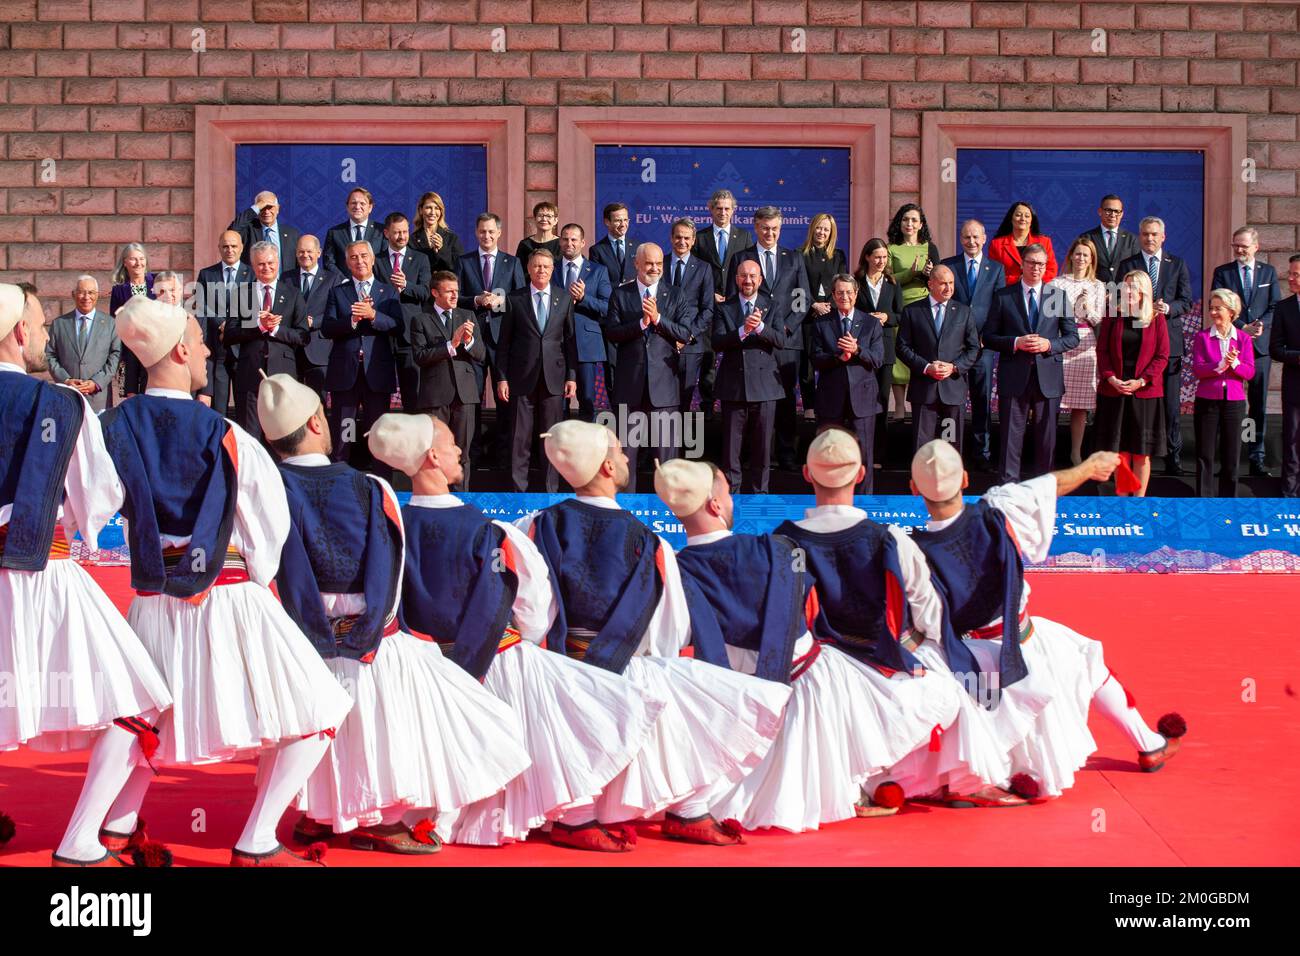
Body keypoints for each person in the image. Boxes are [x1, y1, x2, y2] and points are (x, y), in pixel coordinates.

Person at [98, 296, 355, 867]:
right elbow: (268, 529)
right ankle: (257, 840)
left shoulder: (111, 425)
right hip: (228, 592)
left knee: (148, 719)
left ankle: (114, 832)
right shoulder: (226, 433)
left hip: (149, 594)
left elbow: (96, 502)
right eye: (200, 337)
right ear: (182, 349)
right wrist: (251, 573)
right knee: (319, 711)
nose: (210, 348)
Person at [256, 381, 529, 853]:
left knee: (322, 719)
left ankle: (321, 814)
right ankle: (377, 819)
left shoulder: (270, 487)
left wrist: (310, 629)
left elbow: (271, 561)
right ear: (318, 423)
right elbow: (387, 567)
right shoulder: (369, 486)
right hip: (368, 632)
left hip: (304, 632)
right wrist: (372, 628)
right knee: (391, 721)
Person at [370, 412, 662, 847]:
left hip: (426, 670)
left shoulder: (393, 527)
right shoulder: (488, 532)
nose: (459, 451)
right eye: (451, 444)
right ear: (432, 456)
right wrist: (523, 642)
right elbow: (534, 606)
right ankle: (574, 816)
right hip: (498, 662)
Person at [516, 420, 789, 849]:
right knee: (680, 703)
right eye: (621, 453)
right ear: (606, 467)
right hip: (623, 665)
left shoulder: (534, 524)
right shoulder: (651, 541)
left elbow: (531, 610)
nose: (627, 458)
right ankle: (682, 811)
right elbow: (672, 628)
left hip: (557, 664)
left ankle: (578, 814)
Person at [0, 283, 173, 867]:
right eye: (40, 325)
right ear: (20, 333)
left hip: (30, 567)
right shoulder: (62, 405)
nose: (45, 335)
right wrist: (69, 522)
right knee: (138, 699)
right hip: (41, 569)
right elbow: (97, 499)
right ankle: (81, 837)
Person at [910, 440, 1187, 797]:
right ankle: (1148, 742)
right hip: (1021, 642)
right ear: (965, 479)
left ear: (913, 488)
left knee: (1077, 651)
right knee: (1087, 658)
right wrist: (1090, 466)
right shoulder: (998, 511)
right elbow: (1047, 487)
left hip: (967, 664)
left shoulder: (913, 552)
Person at [773, 429, 1027, 812]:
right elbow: (930, 612)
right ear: (861, 474)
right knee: (958, 681)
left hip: (818, 671)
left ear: (807, 474)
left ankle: (871, 780)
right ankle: (959, 780)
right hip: (883, 662)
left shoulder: (782, 543)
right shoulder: (889, 539)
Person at [664, 456, 923, 831]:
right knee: (929, 689)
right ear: (716, 505)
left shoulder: (675, 567)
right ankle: (865, 779)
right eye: (728, 494)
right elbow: (810, 610)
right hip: (811, 686)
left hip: (737, 698)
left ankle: (858, 781)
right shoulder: (776, 549)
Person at [725, 206, 811, 470]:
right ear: (756, 227)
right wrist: (748, 328)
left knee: (785, 399)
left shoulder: (794, 258)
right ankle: (753, 457)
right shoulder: (742, 257)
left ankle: (786, 453)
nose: (770, 233)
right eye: (765, 228)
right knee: (752, 403)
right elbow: (731, 300)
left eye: (774, 228)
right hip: (751, 345)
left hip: (785, 340)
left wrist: (785, 328)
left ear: (780, 228)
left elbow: (802, 298)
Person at [984, 244, 1078, 483]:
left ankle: (1043, 488)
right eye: (1031, 263)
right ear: (1022, 265)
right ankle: (1008, 489)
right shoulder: (1004, 296)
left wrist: (1049, 345)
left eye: (1041, 264)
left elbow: (1071, 337)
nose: (1036, 268)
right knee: (1010, 438)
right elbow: (989, 337)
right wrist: (1016, 342)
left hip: (1048, 377)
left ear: (1046, 267)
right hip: (1014, 376)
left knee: (1047, 438)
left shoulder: (1058, 296)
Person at [605, 242, 690, 491]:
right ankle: (625, 512)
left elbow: (685, 333)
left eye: (659, 264)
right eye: (649, 264)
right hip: (630, 388)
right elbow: (611, 332)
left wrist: (658, 320)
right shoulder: (621, 294)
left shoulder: (675, 295)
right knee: (625, 460)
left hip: (664, 390)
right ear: (637, 264)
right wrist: (641, 324)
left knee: (666, 461)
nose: (654, 268)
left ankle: (667, 512)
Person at [496, 249, 577, 493]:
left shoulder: (563, 298)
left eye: (546, 266)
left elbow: (570, 341)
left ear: (553, 270)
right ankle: (518, 493)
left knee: (552, 439)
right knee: (520, 438)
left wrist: (572, 376)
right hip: (521, 378)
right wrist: (502, 378)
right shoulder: (514, 298)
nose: (541, 270)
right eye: (537, 266)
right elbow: (504, 344)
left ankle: (550, 492)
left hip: (554, 378)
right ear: (528, 269)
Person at [1117, 217, 1194, 476]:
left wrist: (1169, 308)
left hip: (1168, 346)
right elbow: (1119, 300)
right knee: (1136, 407)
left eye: (1154, 234)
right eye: (1145, 234)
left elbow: (1186, 301)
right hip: (1134, 348)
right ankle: (1133, 455)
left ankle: (1173, 458)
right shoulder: (1128, 265)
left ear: (1163, 236)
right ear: (1139, 236)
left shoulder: (1177, 264)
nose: (1149, 239)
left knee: (1170, 406)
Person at [322, 240, 403, 470]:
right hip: (346, 377)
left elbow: (398, 326)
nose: (360, 261)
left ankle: (380, 488)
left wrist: (373, 315)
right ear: (347, 262)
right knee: (343, 434)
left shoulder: (387, 292)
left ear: (373, 259)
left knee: (378, 435)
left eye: (364, 256)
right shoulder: (338, 293)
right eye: (354, 257)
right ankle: (340, 483)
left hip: (376, 374)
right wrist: (352, 321)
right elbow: (327, 327)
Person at [456, 212, 526, 465]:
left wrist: (501, 300)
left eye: (491, 232)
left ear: (499, 233)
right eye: (482, 231)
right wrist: (476, 300)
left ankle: (503, 455)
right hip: (471, 339)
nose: (486, 236)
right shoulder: (463, 262)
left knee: (505, 399)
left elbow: (520, 299)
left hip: (502, 341)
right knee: (471, 398)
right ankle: (472, 456)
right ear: (476, 233)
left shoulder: (512, 263)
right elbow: (455, 298)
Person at [1211, 227, 1281, 478]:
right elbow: (1217, 303)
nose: (1239, 250)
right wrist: (1243, 327)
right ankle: (1229, 459)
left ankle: (1256, 457)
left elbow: (1274, 305)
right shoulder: (1223, 272)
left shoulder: (1268, 272)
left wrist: (1260, 326)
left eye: (1244, 246)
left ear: (1256, 247)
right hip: (1230, 347)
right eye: (1235, 246)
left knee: (1257, 406)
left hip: (1260, 350)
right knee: (1229, 404)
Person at [1094, 271, 1170, 497]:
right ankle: (1122, 503)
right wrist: (1111, 378)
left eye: (1133, 288)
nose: (1127, 292)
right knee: (1120, 453)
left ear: (1143, 292)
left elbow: (1162, 355)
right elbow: (1103, 350)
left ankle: (1138, 503)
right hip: (1115, 391)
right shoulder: (1112, 315)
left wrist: (1141, 381)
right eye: (1125, 287)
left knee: (1141, 453)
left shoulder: (1156, 318)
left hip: (1144, 393)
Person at [223, 241, 309, 440]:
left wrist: (276, 329)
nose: (266, 268)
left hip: (283, 375)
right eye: (261, 264)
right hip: (250, 375)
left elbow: (303, 336)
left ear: (278, 262)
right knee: (250, 436)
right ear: (253, 265)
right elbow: (230, 335)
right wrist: (259, 326)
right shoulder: (242, 293)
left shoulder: (293, 293)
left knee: (283, 435)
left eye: (270, 263)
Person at [713, 258, 784, 494]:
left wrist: (761, 328)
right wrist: (743, 330)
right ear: (736, 279)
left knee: (762, 450)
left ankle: (759, 497)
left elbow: (781, 341)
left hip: (765, 388)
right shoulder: (725, 308)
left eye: (753, 276)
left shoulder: (772, 306)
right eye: (743, 276)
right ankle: (730, 496)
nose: (748, 280)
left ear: (760, 279)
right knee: (730, 451)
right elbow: (717, 342)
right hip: (733, 387)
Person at [409, 271, 483, 490]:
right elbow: (420, 356)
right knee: (435, 451)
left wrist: (468, 342)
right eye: (449, 291)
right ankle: (436, 495)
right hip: (436, 395)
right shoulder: (420, 319)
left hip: (465, 394)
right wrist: (451, 345)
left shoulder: (468, 315)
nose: (454, 295)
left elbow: (481, 354)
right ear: (434, 293)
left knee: (463, 451)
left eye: (457, 291)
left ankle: (462, 499)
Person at [810, 273, 883, 493]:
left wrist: (857, 350)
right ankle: (829, 499)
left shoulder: (871, 323)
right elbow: (815, 358)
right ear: (832, 295)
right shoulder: (822, 323)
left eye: (849, 292)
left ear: (856, 294)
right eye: (840, 292)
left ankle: (864, 503)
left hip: (863, 398)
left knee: (863, 455)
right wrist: (836, 358)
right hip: (831, 398)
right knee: (829, 453)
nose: (844, 296)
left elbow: (878, 359)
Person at [942, 220, 1006, 470]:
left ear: (984, 238)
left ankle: (982, 453)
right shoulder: (949, 266)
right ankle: (949, 453)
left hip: (983, 347)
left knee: (982, 400)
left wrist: (986, 335)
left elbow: (998, 307)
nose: (972, 242)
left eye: (976, 237)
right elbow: (944, 304)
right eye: (967, 237)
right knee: (951, 403)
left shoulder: (996, 269)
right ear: (961, 238)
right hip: (953, 348)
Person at [897, 265, 980, 452]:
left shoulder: (963, 311)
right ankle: (921, 480)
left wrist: (954, 367)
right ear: (930, 284)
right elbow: (902, 347)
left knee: (950, 445)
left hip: (952, 389)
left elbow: (974, 348)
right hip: (924, 390)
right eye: (943, 283)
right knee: (922, 446)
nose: (948, 288)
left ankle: (949, 481)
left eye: (951, 283)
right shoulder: (912, 311)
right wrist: (926, 367)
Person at [1046, 237, 1107, 465]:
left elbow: (1097, 319)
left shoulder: (1098, 286)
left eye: (1086, 255)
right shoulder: (1056, 283)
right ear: (1071, 255)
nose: (1081, 258)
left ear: (1092, 260)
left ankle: (1075, 452)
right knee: (1053, 400)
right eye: (1078, 253)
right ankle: (1048, 450)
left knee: (1080, 405)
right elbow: (1049, 317)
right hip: (1061, 341)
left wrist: (1086, 308)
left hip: (1086, 344)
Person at [1191, 289, 1256, 497]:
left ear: (1231, 311)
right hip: (1207, 401)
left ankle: (1229, 501)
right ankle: (1204, 500)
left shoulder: (1243, 339)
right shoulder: (1202, 337)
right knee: (1205, 454)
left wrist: (1234, 363)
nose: (1213, 312)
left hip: (1234, 403)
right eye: (1211, 308)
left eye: (1218, 308)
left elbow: (1250, 372)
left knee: (1232, 454)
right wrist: (1220, 365)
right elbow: (1198, 370)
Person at [886, 204, 942, 426]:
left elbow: (939, 277)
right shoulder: (892, 249)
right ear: (899, 223)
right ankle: (899, 407)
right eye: (905, 220)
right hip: (900, 306)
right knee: (900, 356)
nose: (909, 224)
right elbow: (888, 279)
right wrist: (912, 273)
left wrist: (929, 274)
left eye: (914, 220)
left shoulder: (930, 248)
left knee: (922, 354)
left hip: (924, 308)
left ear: (921, 224)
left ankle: (923, 405)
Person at [554, 222, 612, 423]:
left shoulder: (597, 270)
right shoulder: (549, 269)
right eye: (565, 239)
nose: (569, 243)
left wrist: (584, 298)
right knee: (557, 403)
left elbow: (608, 307)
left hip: (586, 345)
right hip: (555, 344)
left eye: (573, 239)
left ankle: (588, 450)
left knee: (588, 400)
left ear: (582, 243)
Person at [374, 211, 432, 412]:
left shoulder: (420, 259)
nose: (402, 236)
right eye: (397, 232)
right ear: (386, 233)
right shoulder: (376, 259)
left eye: (405, 232)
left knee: (412, 393)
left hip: (410, 335)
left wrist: (406, 285)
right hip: (382, 333)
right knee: (379, 391)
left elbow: (426, 292)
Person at [855, 237, 904, 459]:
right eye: (877, 257)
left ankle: (879, 453)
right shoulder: (856, 281)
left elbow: (901, 315)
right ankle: (859, 452)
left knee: (882, 402)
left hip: (884, 350)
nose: (881, 261)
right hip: (861, 350)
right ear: (867, 257)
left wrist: (887, 316)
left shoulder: (893, 284)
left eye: (884, 257)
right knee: (860, 402)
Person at [195, 231, 252, 415]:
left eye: (234, 246)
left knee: (245, 409)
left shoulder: (252, 274)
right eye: (225, 246)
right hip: (217, 351)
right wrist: (221, 324)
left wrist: (232, 328)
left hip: (243, 351)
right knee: (218, 410)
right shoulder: (207, 274)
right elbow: (202, 306)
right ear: (219, 248)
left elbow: (252, 309)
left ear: (241, 248)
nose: (230, 250)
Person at [46, 275, 120, 413]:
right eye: (81, 292)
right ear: (73, 295)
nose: (86, 297)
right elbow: (50, 355)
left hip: (98, 398)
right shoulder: (59, 324)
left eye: (91, 292)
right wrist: (66, 380)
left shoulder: (111, 324)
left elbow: (115, 356)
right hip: (67, 396)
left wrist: (96, 383)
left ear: (97, 295)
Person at [665, 217, 715, 416]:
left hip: (691, 344)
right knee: (663, 397)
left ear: (693, 240)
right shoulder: (661, 263)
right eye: (678, 237)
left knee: (684, 399)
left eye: (687, 238)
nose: (682, 242)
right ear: (671, 238)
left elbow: (708, 309)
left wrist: (685, 336)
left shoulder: (703, 268)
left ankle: (680, 445)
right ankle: (662, 443)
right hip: (663, 342)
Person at [284, 234, 342, 402]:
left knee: (318, 403)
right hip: (292, 351)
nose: (305, 255)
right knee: (292, 404)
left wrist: (313, 322)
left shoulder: (333, 279)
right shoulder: (286, 278)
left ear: (319, 253)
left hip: (319, 350)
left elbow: (337, 313)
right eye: (301, 251)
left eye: (309, 251)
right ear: (296, 254)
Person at [800, 213, 847, 417]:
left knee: (832, 361)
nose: (822, 232)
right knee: (807, 364)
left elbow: (843, 285)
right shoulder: (800, 254)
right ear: (812, 228)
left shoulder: (838, 256)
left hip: (832, 316)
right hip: (808, 318)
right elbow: (797, 287)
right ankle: (809, 406)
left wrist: (830, 305)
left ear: (831, 233)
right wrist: (813, 305)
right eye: (819, 227)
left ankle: (831, 404)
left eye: (826, 229)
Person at [1270, 255, 1300, 497]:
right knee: (1292, 442)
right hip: (1294, 387)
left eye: (1296, 274)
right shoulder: (1283, 308)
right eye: (1290, 273)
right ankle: (1289, 497)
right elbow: (1275, 349)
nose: (1290, 278)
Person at [109, 242, 153, 399]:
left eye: (142, 258)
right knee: (131, 396)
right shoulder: (119, 289)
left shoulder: (155, 282)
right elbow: (114, 319)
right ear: (125, 262)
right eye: (133, 259)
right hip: (130, 350)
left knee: (151, 394)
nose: (138, 263)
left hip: (153, 348)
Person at [693, 188, 754, 299]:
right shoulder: (699, 237)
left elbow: (750, 268)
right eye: (719, 208)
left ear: (733, 210)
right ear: (711, 209)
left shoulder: (744, 236)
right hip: (708, 301)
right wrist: (710, 294)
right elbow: (694, 272)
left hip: (736, 300)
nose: (723, 213)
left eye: (727, 209)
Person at [988, 200, 1058, 285]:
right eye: (1018, 215)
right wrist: (1019, 280)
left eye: (1027, 216)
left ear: (1032, 220)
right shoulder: (997, 244)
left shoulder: (1044, 242)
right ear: (1011, 218)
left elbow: (1051, 270)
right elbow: (992, 275)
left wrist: (1032, 280)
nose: (1023, 219)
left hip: (1036, 292)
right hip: (1008, 292)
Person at [1079, 194, 1140, 285]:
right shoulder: (1087, 237)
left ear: (1122, 214)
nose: (1113, 215)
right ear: (1100, 211)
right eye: (1108, 210)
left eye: (1117, 211)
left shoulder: (1132, 240)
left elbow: (1136, 271)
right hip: (1095, 293)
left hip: (1123, 294)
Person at [234, 191, 300, 274]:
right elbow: (233, 230)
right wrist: (256, 207)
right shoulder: (248, 230)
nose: (266, 211)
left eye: (270, 207)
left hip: (283, 285)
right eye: (262, 208)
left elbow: (298, 264)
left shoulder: (292, 234)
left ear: (278, 208)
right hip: (254, 284)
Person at [324, 186, 386, 273]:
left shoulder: (381, 231)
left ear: (370, 207)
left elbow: (385, 262)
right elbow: (329, 262)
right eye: (353, 203)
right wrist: (344, 281)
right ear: (347, 206)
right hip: (343, 284)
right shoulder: (334, 233)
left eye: (362, 203)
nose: (357, 207)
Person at [409, 190, 464, 275]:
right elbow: (411, 269)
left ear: (441, 212)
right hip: (424, 286)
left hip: (445, 286)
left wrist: (441, 249)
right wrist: (431, 252)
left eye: (437, 208)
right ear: (420, 210)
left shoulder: (451, 238)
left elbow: (459, 267)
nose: (432, 212)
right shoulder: (412, 240)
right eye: (428, 208)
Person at [588, 201, 643, 286]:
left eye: (625, 220)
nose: (623, 224)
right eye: (618, 221)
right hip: (610, 298)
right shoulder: (597, 250)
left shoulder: (638, 247)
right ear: (607, 222)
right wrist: (620, 286)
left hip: (634, 297)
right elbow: (597, 281)